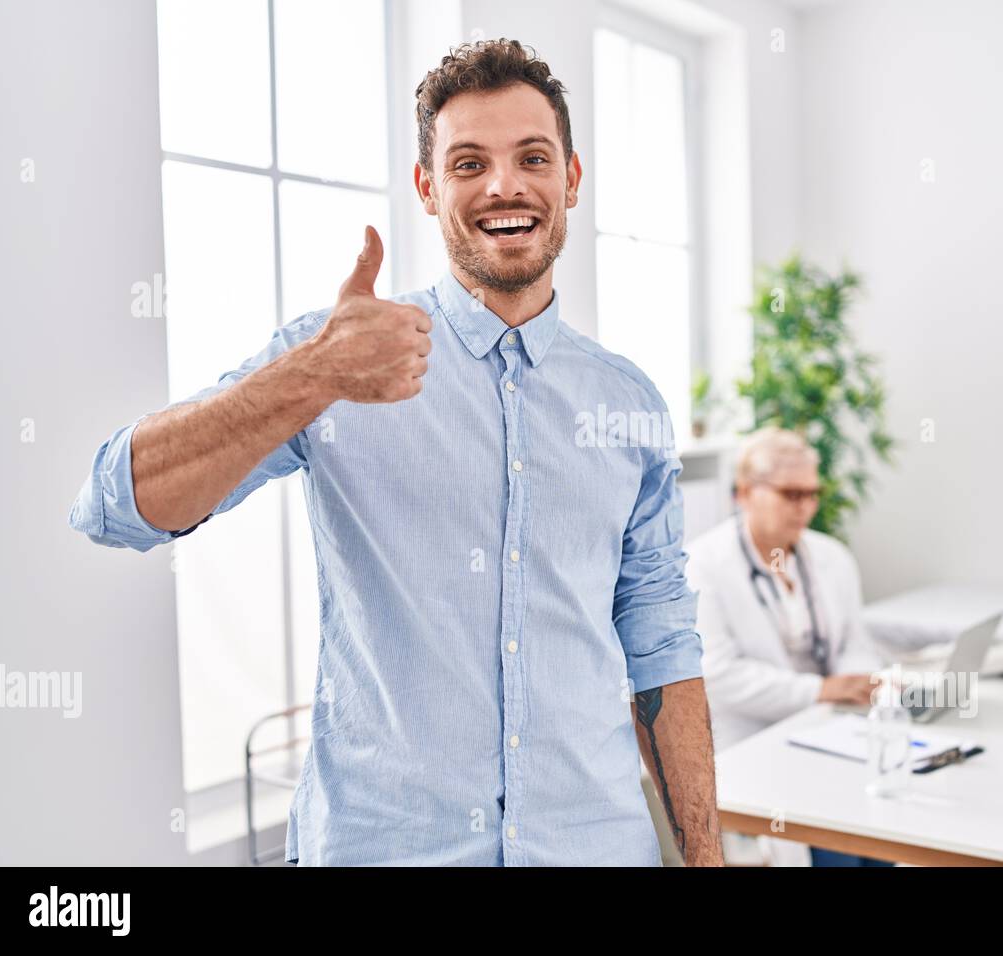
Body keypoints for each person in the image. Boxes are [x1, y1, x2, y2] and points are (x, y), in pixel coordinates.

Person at [68, 39, 723, 867]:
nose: (504, 186)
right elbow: (113, 505)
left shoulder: (629, 405)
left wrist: (705, 856)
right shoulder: (339, 358)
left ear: (572, 178)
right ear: (426, 187)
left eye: (532, 157)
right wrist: (309, 378)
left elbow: (662, 646)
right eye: (468, 163)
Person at [685, 427, 891, 867]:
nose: (806, 507)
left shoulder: (831, 557)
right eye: (791, 494)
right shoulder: (704, 565)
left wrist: (854, 683)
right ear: (744, 493)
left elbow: (856, 644)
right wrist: (820, 691)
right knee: (835, 847)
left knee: (882, 833)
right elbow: (718, 677)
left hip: (834, 730)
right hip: (753, 740)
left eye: (812, 493)